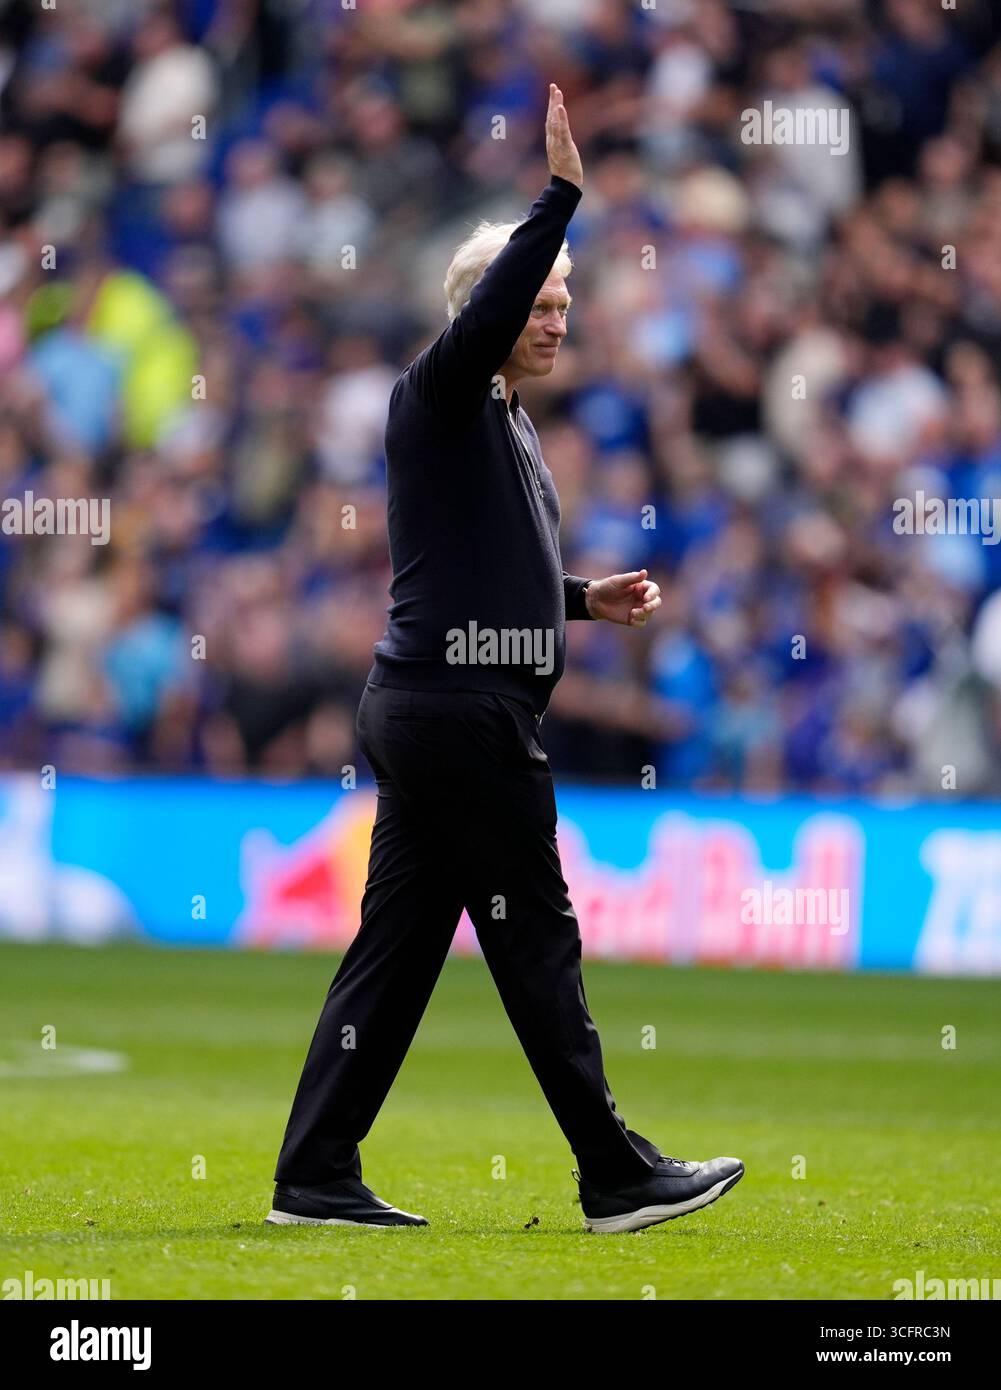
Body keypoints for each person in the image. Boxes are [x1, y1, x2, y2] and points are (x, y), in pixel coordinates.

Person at [266, 84, 743, 1234]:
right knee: (536, 936)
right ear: (483, 307)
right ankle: (614, 1173)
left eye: (566, 299)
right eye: (538, 297)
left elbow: (476, 567)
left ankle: (314, 1172)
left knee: (395, 954)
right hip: (460, 717)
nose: (554, 316)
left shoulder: (503, 419)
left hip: (439, 707)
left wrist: (579, 600)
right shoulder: (436, 389)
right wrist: (565, 195)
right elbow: (485, 322)